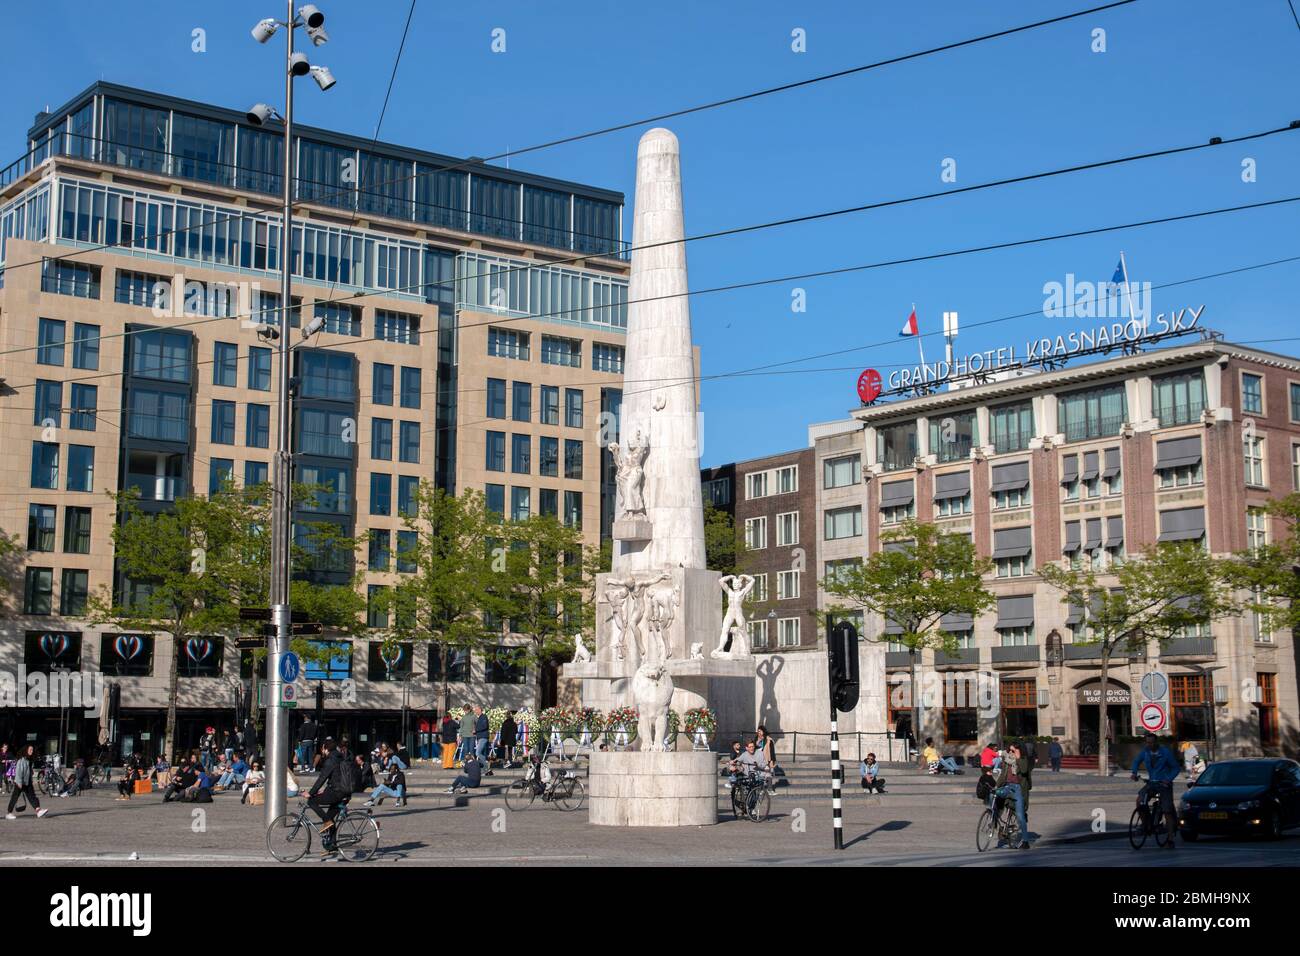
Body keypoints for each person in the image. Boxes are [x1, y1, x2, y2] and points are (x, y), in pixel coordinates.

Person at [1131, 733, 1179, 849]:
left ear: (1156, 742)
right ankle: (1146, 824)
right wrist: (1134, 772)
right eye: (1147, 742)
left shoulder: (1165, 752)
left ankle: (1171, 839)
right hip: (1151, 783)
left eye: (1152, 742)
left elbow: (1176, 768)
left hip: (1164, 784)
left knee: (1167, 809)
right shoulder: (1145, 752)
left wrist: (1168, 780)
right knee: (1139, 800)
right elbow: (1136, 761)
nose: (1150, 745)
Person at [308, 738, 352, 858]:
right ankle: (332, 846)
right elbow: (335, 778)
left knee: (311, 801)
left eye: (322, 748)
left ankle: (326, 821)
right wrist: (325, 790)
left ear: (325, 748)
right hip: (345, 792)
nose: (321, 750)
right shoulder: (339, 757)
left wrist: (311, 793)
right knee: (331, 818)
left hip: (337, 793)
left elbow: (321, 778)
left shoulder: (330, 760)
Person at [993, 742, 1031, 849]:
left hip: (1018, 789)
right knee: (994, 795)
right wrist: (996, 787)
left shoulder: (1023, 761)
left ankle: (1025, 841)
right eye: (1009, 750)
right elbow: (1002, 776)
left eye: (1013, 750)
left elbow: (1023, 770)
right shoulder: (1007, 760)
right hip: (1007, 787)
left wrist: (1018, 758)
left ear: (1020, 751)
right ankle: (993, 820)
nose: (1010, 752)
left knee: (1020, 816)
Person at [6, 746, 49, 819]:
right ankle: (9, 813)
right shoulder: (21, 760)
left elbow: (29, 770)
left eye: (32, 750)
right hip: (20, 782)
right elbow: (18, 772)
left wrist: (31, 773)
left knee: (32, 796)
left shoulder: (29, 760)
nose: (31, 751)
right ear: (26, 750)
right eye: (30, 750)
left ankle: (38, 810)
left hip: (27, 782)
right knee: (14, 797)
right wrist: (19, 782)